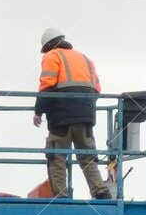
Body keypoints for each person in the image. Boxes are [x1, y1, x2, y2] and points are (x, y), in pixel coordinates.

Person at [33, 27, 110, 200]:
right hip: (86, 115)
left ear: (49, 46)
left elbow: (47, 85)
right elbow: (97, 89)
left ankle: (61, 195)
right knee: (87, 156)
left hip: (61, 117)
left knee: (56, 156)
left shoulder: (52, 56)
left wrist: (38, 111)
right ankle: (101, 191)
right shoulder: (85, 59)